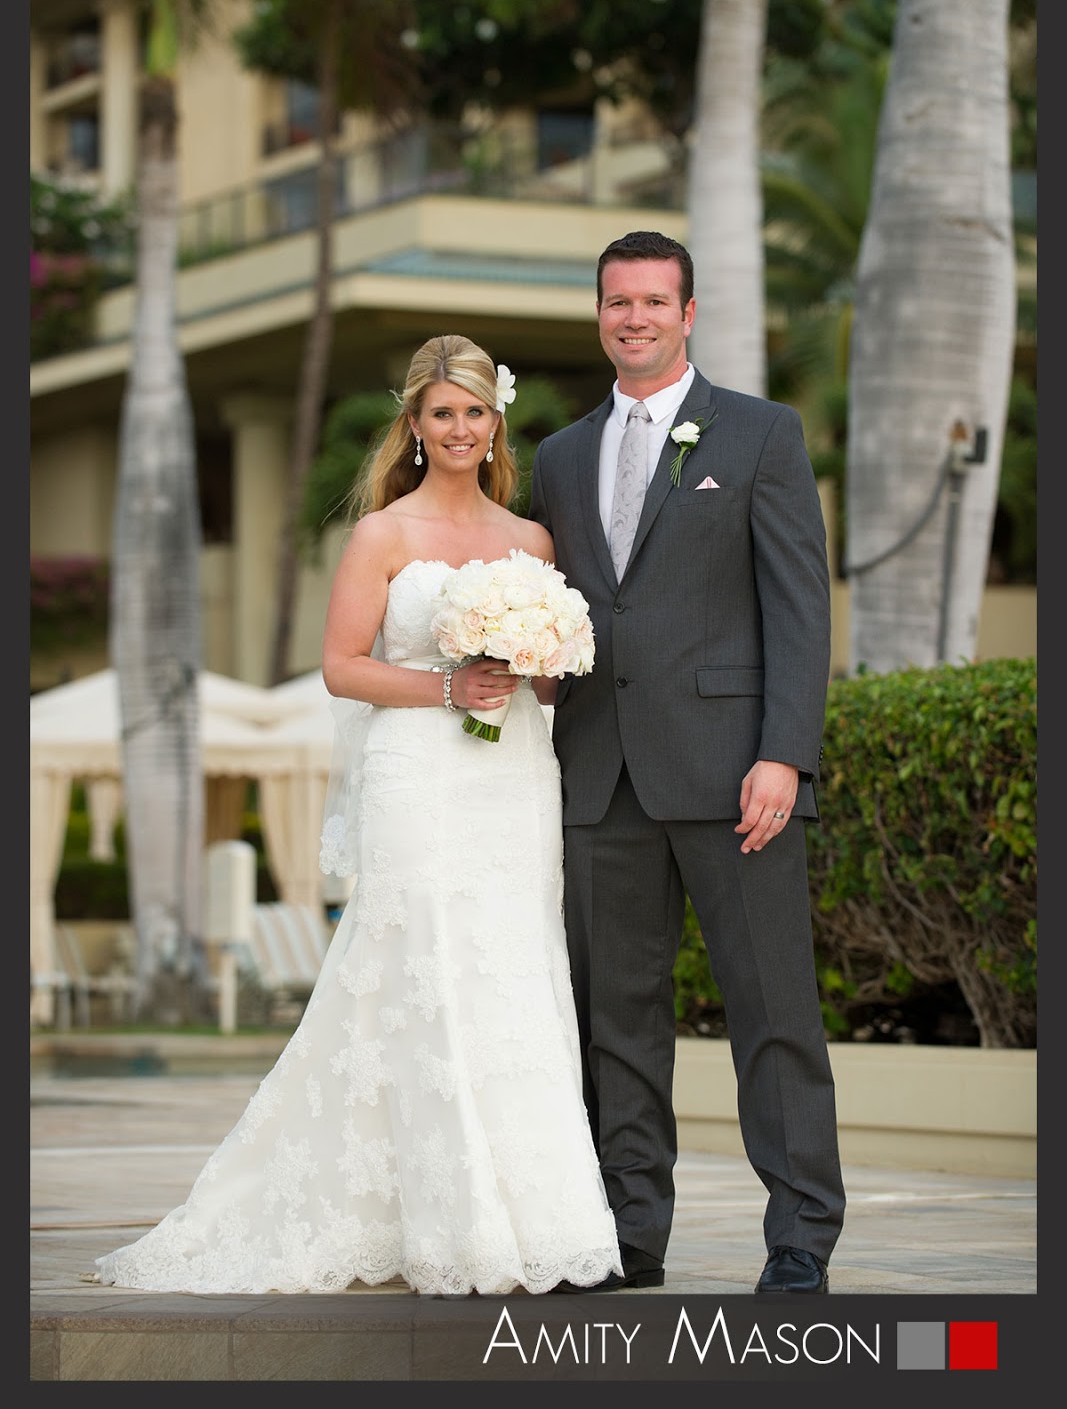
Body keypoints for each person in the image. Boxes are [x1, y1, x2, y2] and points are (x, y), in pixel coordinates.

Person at [95, 334, 621, 1298]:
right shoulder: (383, 534)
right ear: (414, 425)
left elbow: (548, 686)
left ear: (494, 421)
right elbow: (343, 667)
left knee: (513, 967)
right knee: (421, 964)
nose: (459, 429)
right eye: (442, 413)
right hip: (418, 772)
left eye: (473, 411)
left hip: (514, 782)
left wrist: (539, 658)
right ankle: (434, 1218)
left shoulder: (534, 541)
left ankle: (533, 1218)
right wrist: (450, 686)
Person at [529, 229, 845, 1295]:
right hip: (598, 775)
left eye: (653, 301)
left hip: (734, 777)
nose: (634, 318)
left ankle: (799, 1238)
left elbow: (799, 605)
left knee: (773, 1013)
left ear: (687, 313)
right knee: (616, 1019)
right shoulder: (559, 456)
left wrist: (783, 755)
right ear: (600, 314)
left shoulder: (760, 433)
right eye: (617, 301)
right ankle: (630, 1232)